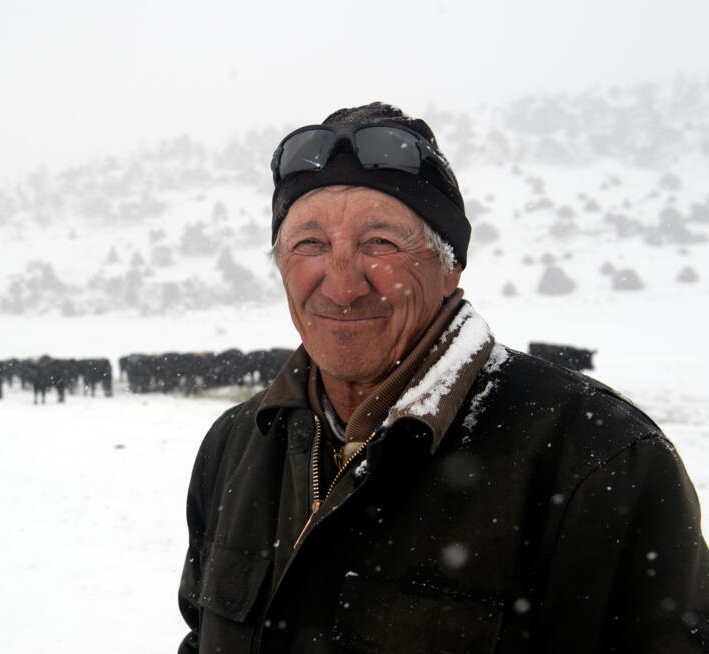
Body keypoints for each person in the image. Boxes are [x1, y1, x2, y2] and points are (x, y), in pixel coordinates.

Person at [177, 102, 709, 653]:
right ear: (281, 263)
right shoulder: (236, 446)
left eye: (379, 243)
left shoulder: (598, 459)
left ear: (450, 264)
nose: (341, 286)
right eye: (309, 244)